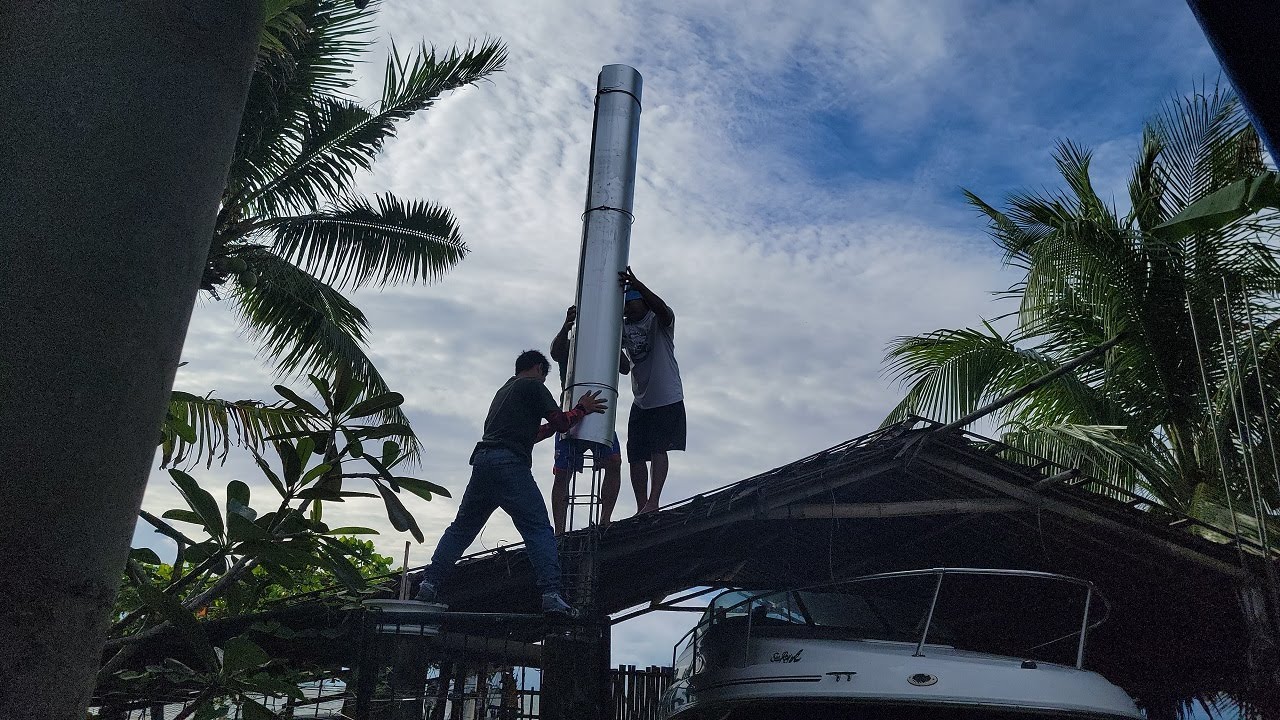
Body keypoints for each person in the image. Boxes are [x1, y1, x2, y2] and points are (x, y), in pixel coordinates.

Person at [414, 350, 606, 616]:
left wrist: (548, 429)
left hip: (482, 464)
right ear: (539, 368)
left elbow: (527, 433)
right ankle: (551, 594)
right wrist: (581, 409)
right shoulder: (533, 386)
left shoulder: (503, 392)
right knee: (538, 528)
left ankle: (429, 583)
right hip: (510, 466)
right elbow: (561, 423)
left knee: (461, 530)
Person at [548, 305, 630, 534]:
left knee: (613, 462)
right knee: (563, 472)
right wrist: (566, 326)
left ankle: (605, 520)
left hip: (601, 409)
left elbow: (625, 367)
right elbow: (555, 352)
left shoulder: (606, 341)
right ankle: (560, 530)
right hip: (572, 410)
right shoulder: (570, 339)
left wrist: (613, 336)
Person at [618, 267, 685, 514]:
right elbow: (625, 368)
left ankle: (653, 502)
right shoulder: (622, 327)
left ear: (643, 301)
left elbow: (663, 310)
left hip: (667, 396)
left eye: (631, 303)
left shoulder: (658, 321)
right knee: (635, 452)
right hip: (641, 399)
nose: (627, 309)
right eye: (623, 306)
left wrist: (640, 285)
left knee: (659, 448)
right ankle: (641, 506)